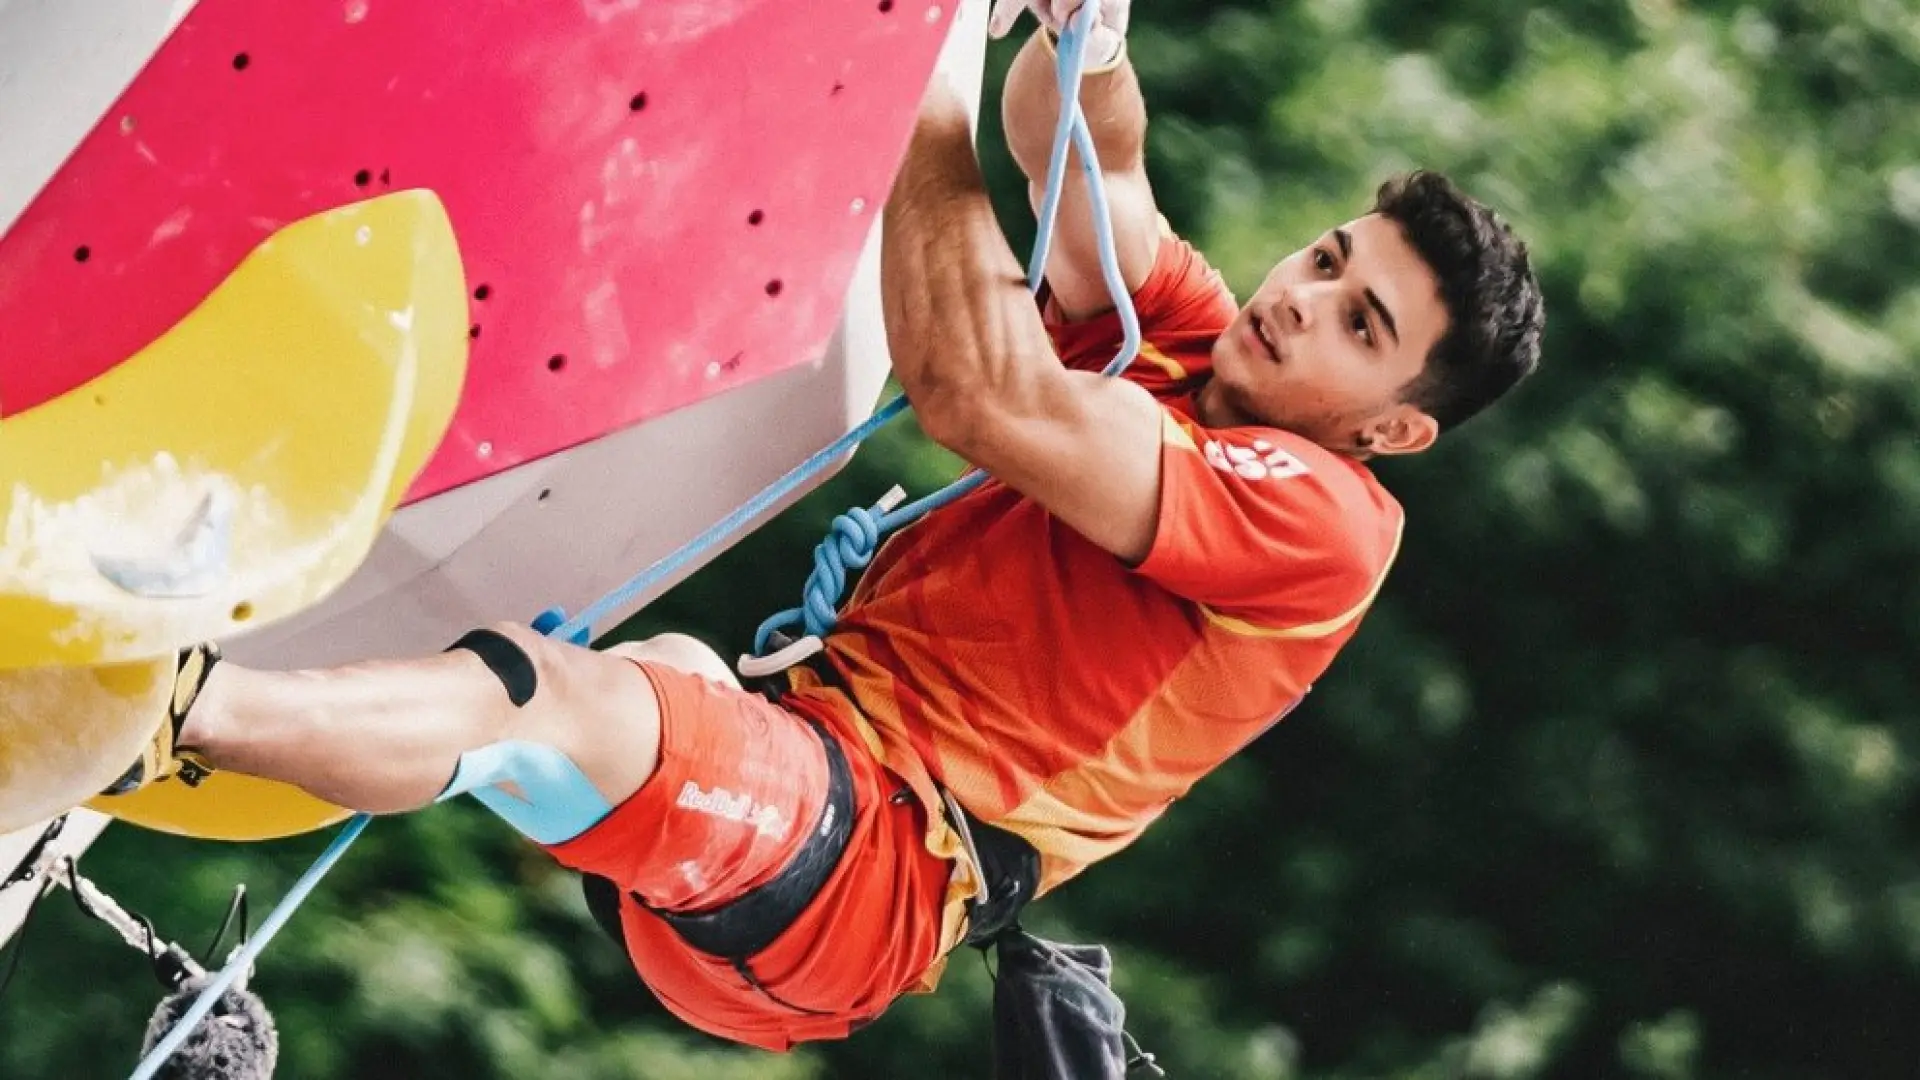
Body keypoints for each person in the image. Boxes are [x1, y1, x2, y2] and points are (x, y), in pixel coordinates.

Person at [99, 0, 1545, 1060]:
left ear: (1393, 425)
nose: (1300, 297)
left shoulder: (1331, 526)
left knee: (549, 697)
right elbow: (1088, 164)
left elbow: (983, 394)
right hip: (790, 788)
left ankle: (145, 707)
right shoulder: (1200, 340)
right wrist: (1081, 36)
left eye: (1359, 323)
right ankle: (290, 750)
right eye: (1327, 256)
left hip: (864, 879)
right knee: (633, 680)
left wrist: (915, 69)